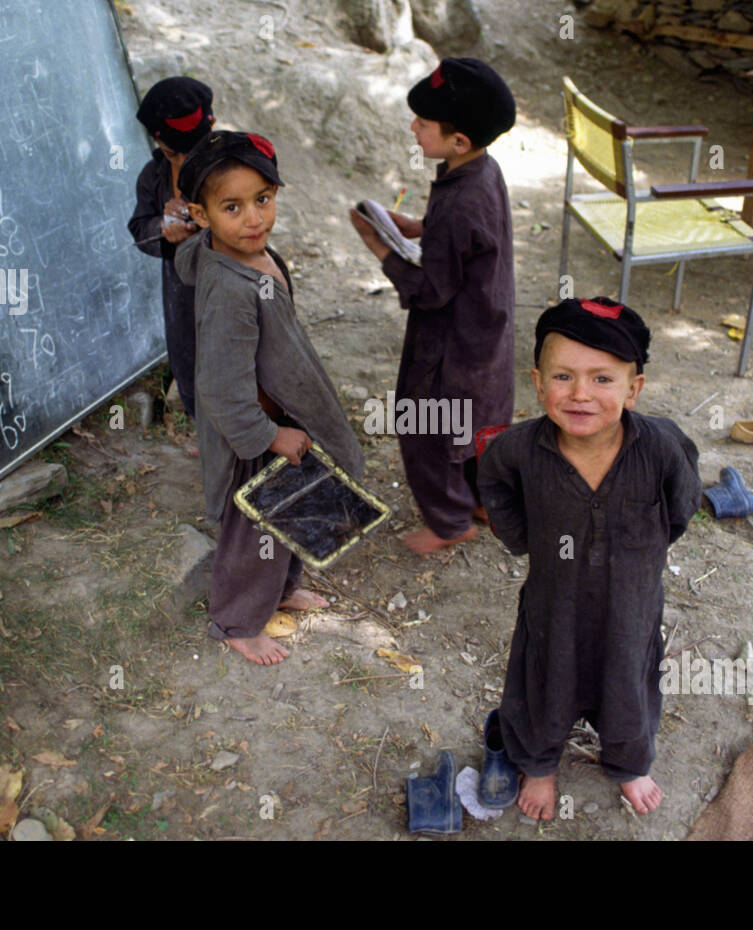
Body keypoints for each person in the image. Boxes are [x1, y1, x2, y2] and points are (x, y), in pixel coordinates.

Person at [477, 297, 701, 820]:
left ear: (634, 388)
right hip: (554, 598)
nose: (580, 394)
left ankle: (629, 762)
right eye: (563, 376)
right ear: (537, 382)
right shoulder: (518, 450)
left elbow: (681, 506)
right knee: (543, 674)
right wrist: (522, 539)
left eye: (603, 379)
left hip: (633, 601)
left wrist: (645, 551)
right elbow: (495, 487)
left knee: (630, 678)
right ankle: (538, 761)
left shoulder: (663, 447)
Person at [174, 130, 365, 666]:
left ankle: (281, 589)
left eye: (263, 199)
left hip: (281, 411)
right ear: (201, 213)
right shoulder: (230, 290)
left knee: (295, 510)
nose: (254, 219)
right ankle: (236, 620)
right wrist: (267, 435)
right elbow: (218, 384)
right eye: (232, 207)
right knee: (254, 524)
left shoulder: (247, 250)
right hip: (252, 432)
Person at [349, 58, 516, 556]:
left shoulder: (462, 198)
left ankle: (449, 522)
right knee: (477, 424)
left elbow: (431, 290)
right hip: (486, 334)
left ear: (458, 140)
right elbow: (469, 238)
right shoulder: (478, 171)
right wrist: (419, 227)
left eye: (422, 123)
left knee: (428, 428)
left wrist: (378, 246)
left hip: (449, 344)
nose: (413, 128)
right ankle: (484, 500)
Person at [128, 77, 216, 427]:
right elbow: (139, 228)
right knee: (188, 355)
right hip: (181, 289)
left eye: (190, 154)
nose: (182, 162)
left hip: (234, 280)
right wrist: (163, 231)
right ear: (157, 141)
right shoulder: (153, 176)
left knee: (242, 355)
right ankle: (203, 428)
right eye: (172, 154)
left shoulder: (232, 165)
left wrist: (211, 220)